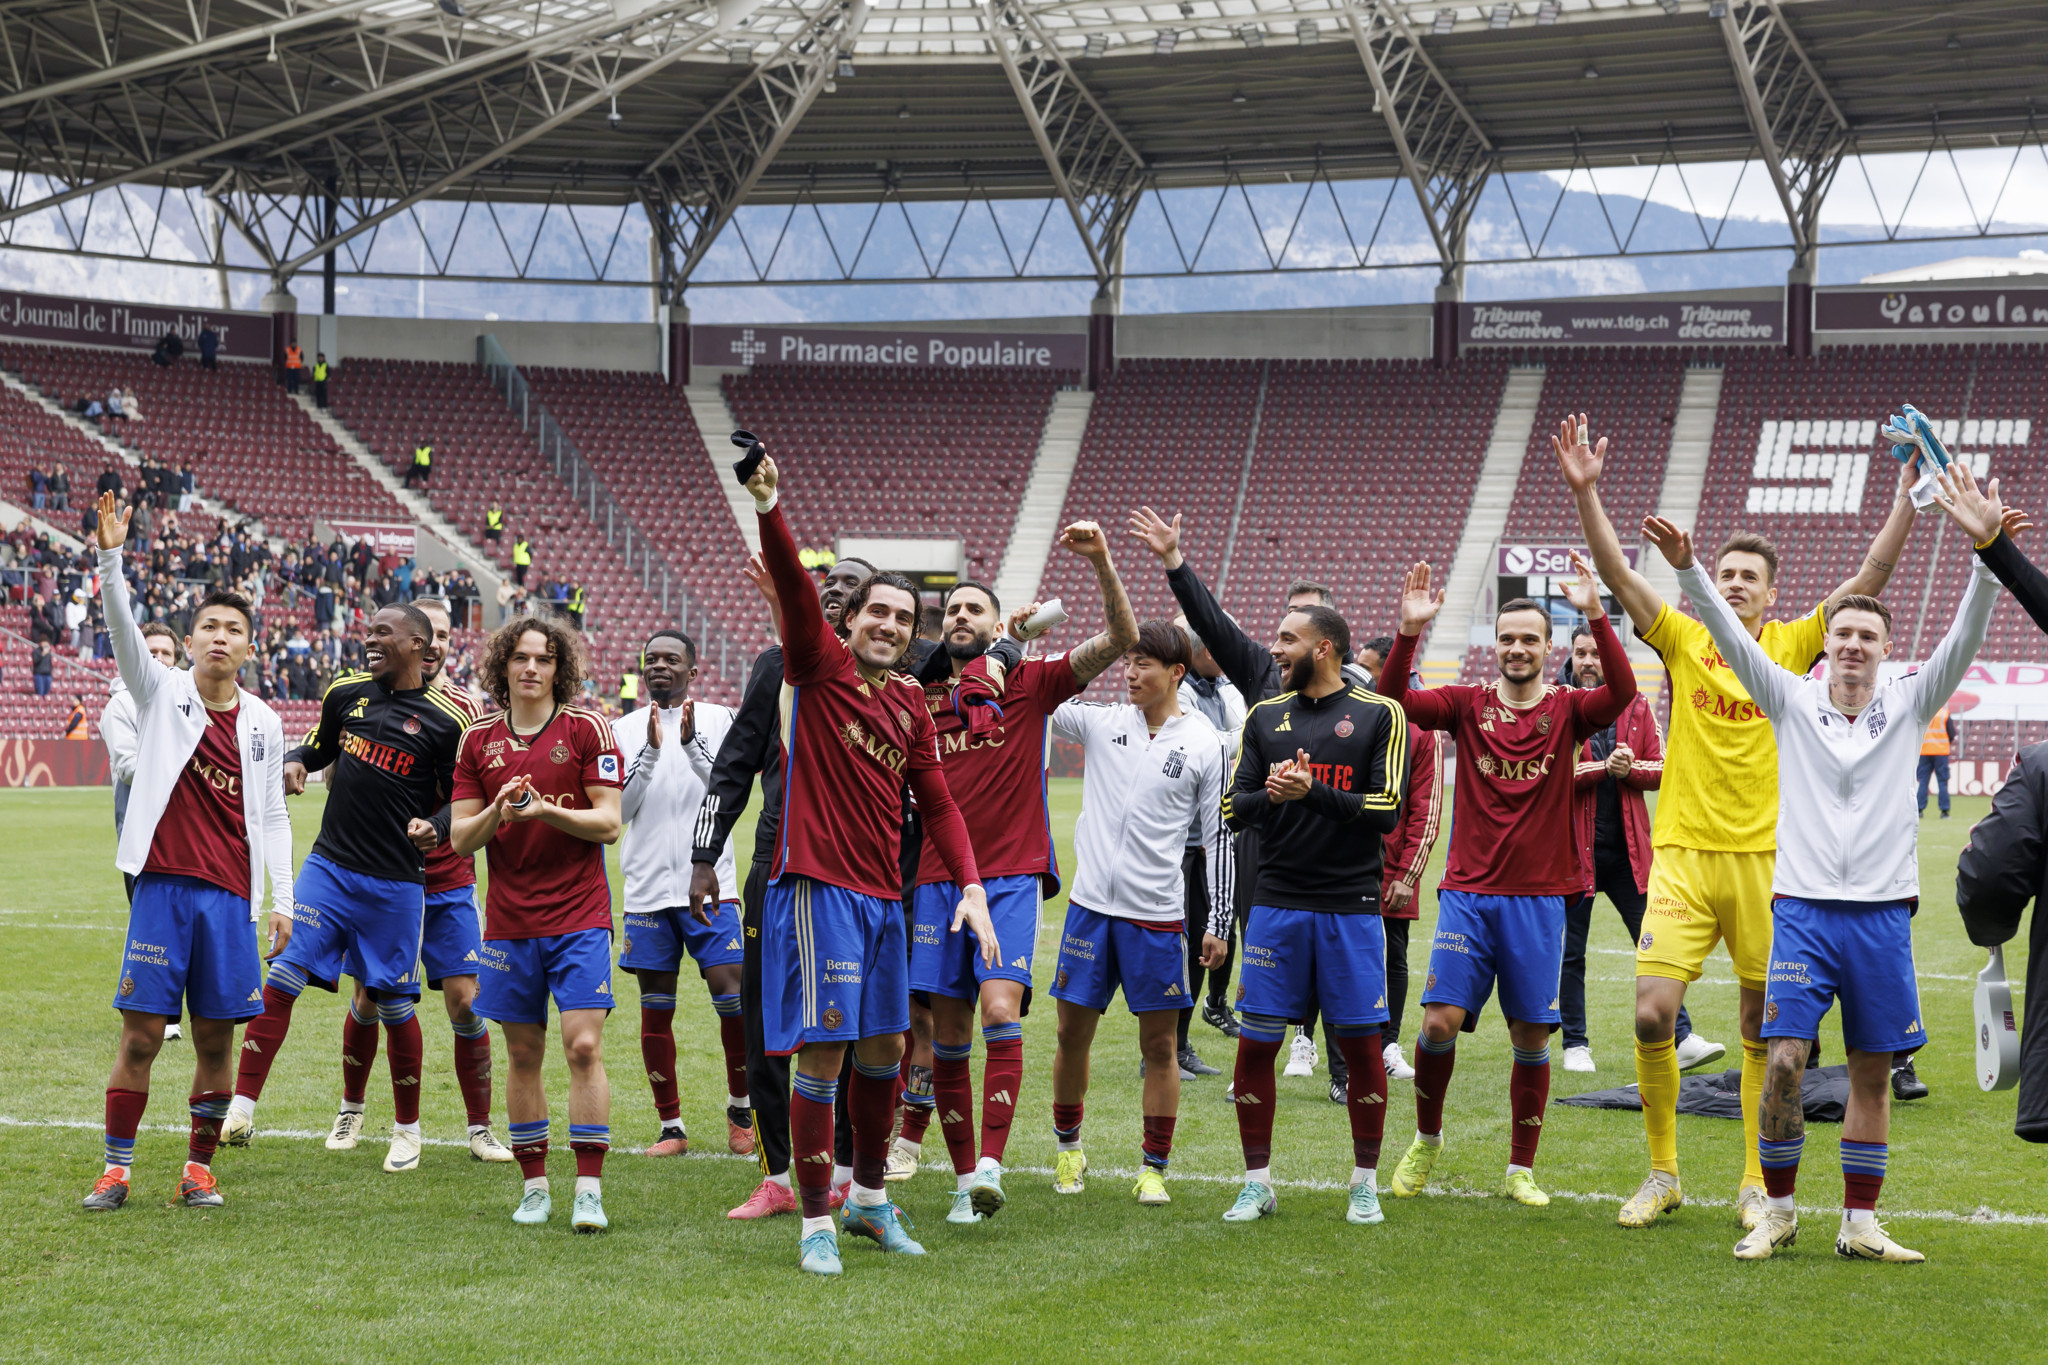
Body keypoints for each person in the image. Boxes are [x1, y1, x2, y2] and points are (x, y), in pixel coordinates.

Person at [1556, 412, 1921, 1230]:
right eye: (1724, 572)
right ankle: (1663, 1172)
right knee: (1651, 1011)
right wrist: (1586, 493)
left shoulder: (1792, 645)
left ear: (1772, 591)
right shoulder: (1685, 636)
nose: (1735, 582)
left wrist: (1904, 499)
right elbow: (1617, 573)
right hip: (1685, 854)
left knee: (1763, 1026)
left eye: (1749, 575)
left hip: (1769, 861)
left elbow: (1874, 572)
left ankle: (1757, 1180)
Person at [1640, 460, 2000, 1262]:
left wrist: (1986, 560)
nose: (1853, 645)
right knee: (1784, 1063)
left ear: (1885, 649)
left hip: (1881, 914)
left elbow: (1965, 638)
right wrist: (1691, 571)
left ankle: (1859, 1222)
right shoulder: (1789, 697)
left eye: (1868, 637)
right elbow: (1729, 634)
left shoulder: (1910, 696)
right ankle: (1778, 1211)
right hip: (1801, 912)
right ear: (1825, 645)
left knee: (1871, 1072)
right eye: (1843, 635)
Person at [740, 450, 992, 1276]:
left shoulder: (911, 700)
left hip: (886, 899)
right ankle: (817, 1220)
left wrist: (972, 886)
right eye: (875, 611)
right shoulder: (818, 666)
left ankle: (870, 1201)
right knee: (824, 1052)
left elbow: (940, 803)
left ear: (914, 634)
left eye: (902, 617)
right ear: (847, 623)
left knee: (886, 1049)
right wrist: (771, 505)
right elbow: (790, 583)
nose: (887, 624)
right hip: (817, 890)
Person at [1380, 554, 1636, 1210]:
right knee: (1438, 1023)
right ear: (1493, 646)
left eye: (1529, 639)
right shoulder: (1467, 704)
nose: (1516, 648)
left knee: (1530, 1035)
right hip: (1469, 894)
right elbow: (1396, 700)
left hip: (1540, 900)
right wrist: (1408, 632)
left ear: (1548, 649)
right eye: (1506, 639)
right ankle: (1427, 1138)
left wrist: (1596, 615)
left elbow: (1622, 692)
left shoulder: (1570, 709)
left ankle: (1521, 1167)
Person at [907, 523, 1139, 1224]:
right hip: (935, 878)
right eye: (952, 610)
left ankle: (990, 1165)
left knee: (999, 1011)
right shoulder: (919, 697)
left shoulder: (1031, 683)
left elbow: (1122, 638)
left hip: (1009, 875)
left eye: (974, 609)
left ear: (998, 623)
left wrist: (1101, 561)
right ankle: (962, 1180)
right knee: (947, 1035)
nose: (960, 616)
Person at [81, 490, 292, 1213]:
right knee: (141, 1037)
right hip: (163, 890)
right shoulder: (159, 690)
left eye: (234, 629)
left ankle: (198, 1169)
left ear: (249, 647)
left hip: (230, 899)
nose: (220, 638)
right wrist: (111, 558)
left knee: (214, 1042)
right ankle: (116, 1170)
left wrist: (284, 899)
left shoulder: (264, 722)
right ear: (192, 639)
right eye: (209, 627)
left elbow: (273, 814)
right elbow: (121, 626)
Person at [223, 602, 468, 1175]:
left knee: (394, 1002)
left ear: (418, 645)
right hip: (329, 868)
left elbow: (462, 798)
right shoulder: (345, 692)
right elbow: (317, 748)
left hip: (397, 883)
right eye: (368, 632)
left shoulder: (446, 721)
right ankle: (240, 1109)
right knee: (281, 977)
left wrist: (437, 827)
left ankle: (406, 1131)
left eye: (383, 633)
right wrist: (294, 761)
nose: (369, 640)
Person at [691, 555, 874, 1221]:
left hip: (855, 877)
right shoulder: (774, 667)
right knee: (763, 1023)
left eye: (852, 586)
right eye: (829, 584)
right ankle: (775, 1176)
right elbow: (734, 765)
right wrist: (703, 857)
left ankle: (847, 1174)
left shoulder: (887, 678)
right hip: (775, 869)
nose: (835, 593)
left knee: (849, 1029)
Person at [1213, 603, 1407, 1226]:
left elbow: (1386, 810)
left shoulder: (1380, 713)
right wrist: (1272, 795)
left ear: (1323, 648)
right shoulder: (1264, 716)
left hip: (1351, 907)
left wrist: (1313, 791)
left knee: (1362, 1048)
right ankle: (1257, 1184)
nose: (1274, 648)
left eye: (1287, 639)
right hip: (1275, 904)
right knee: (1256, 1046)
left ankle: (1364, 1183)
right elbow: (1232, 808)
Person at [323, 599, 513, 1164]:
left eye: (446, 637)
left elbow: (475, 793)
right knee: (367, 997)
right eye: (430, 636)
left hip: (447, 879)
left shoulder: (466, 711)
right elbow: (335, 770)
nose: (436, 647)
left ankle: (479, 1128)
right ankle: (352, 1108)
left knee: (465, 1002)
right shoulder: (365, 693)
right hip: (379, 876)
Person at [450, 616, 624, 1232]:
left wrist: (545, 809)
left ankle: (588, 1190)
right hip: (510, 922)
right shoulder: (477, 740)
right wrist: (500, 811)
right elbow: (461, 838)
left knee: (583, 1046)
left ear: (559, 669)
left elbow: (609, 824)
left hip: (579, 915)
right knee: (523, 1052)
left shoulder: (587, 728)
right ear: (503, 666)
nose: (531, 668)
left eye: (544, 659)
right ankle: (534, 1187)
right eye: (521, 658)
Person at [1044, 621, 1227, 1205]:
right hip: (1089, 910)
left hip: (1157, 917)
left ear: (1176, 673)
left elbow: (1218, 838)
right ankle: (1069, 1150)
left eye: (1142, 663)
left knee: (1161, 1047)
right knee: (1071, 1034)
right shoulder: (1101, 722)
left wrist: (1218, 921)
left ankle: (1153, 1167)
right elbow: (1041, 691)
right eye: (1126, 661)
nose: (1129, 673)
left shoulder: (1205, 743)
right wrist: (1019, 640)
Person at [612, 630, 752, 1158]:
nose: (659, 666)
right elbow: (618, 812)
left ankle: (741, 1109)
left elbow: (732, 792)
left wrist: (692, 747)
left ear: (693, 671)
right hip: (648, 891)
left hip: (712, 884)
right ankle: (670, 1126)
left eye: (671, 659)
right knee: (655, 1010)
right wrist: (648, 755)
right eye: (651, 659)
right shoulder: (622, 729)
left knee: (732, 998)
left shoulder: (721, 719)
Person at [1559, 625, 1689, 1075]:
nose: (1588, 661)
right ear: (1571, 657)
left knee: (1655, 944)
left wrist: (1629, 769)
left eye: (1597, 653)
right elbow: (1551, 774)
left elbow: (1663, 768)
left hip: (1629, 854)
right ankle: (1575, 1044)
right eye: (1581, 653)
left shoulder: (1637, 704)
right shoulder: (1557, 703)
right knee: (1570, 953)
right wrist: (1604, 767)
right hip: (1572, 853)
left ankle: (1682, 1036)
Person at [1355, 633, 1441, 1086]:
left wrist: (1407, 873)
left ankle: (1387, 1044)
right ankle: (1306, 1039)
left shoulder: (1420, 729)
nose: (1359, 675)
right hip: (1343, 865)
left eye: (1368, 668)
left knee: (1393, 956)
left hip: (1391, 870)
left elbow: (1426, 809)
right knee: (1331, 950)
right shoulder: (1351, 715)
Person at [1174, 614, 1247, 1052]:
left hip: (1219, 830)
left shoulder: (1221, 686)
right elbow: (1217, 744)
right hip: (1188, 840)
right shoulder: (1182, 692)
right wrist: (1251, 731)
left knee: (1220, 928)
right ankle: (1173, 1045)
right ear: (1202, 650)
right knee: (1189, 938)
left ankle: (1206, 1014)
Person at [103, 623, 184, 903]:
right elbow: (128, 768)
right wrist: (182, 764)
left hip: (188, 832)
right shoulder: (121, 705)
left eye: (166, 653)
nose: (159, 659)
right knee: (149, 925)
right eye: (151, 653)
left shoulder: (189, 703)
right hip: (143, 837)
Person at [1917, 705, 1956, 818]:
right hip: (1940, 752)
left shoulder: (1923, 713)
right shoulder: (1944, 714)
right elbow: (1952, 733)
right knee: (1942, 782)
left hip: (1924, 751)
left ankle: (1919, 809)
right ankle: (1944, 811)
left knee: (1923, 781)